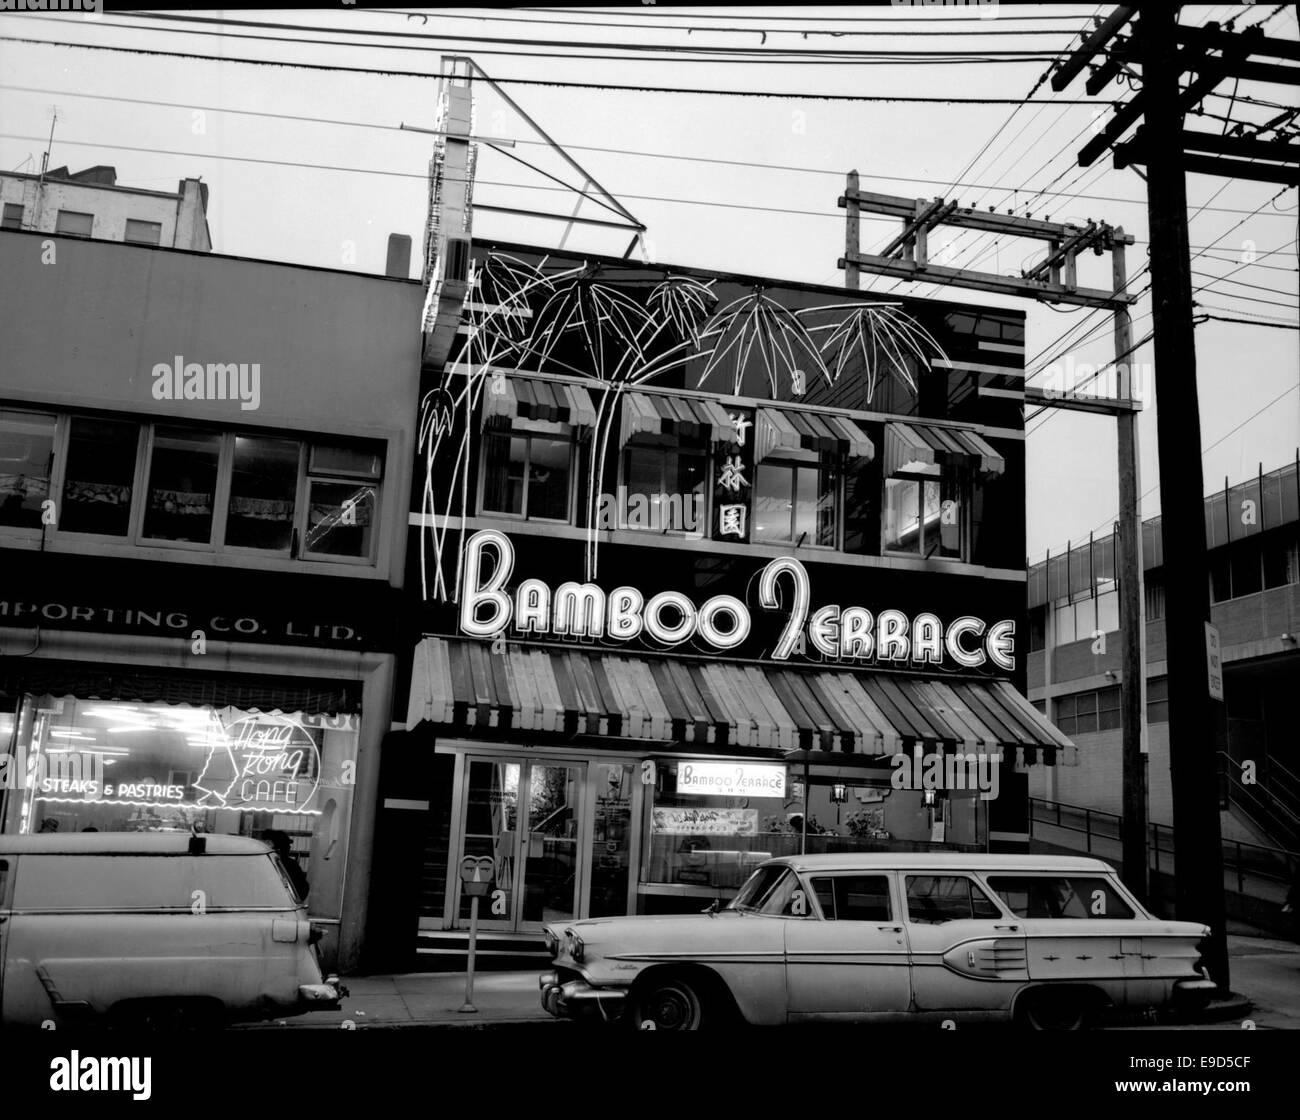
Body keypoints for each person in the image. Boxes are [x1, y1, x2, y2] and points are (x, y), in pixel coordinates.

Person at [263, 829, 309, 901]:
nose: (289, 847)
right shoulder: (291, 864)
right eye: (287, 845)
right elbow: (303, 890)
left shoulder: (262, 863)